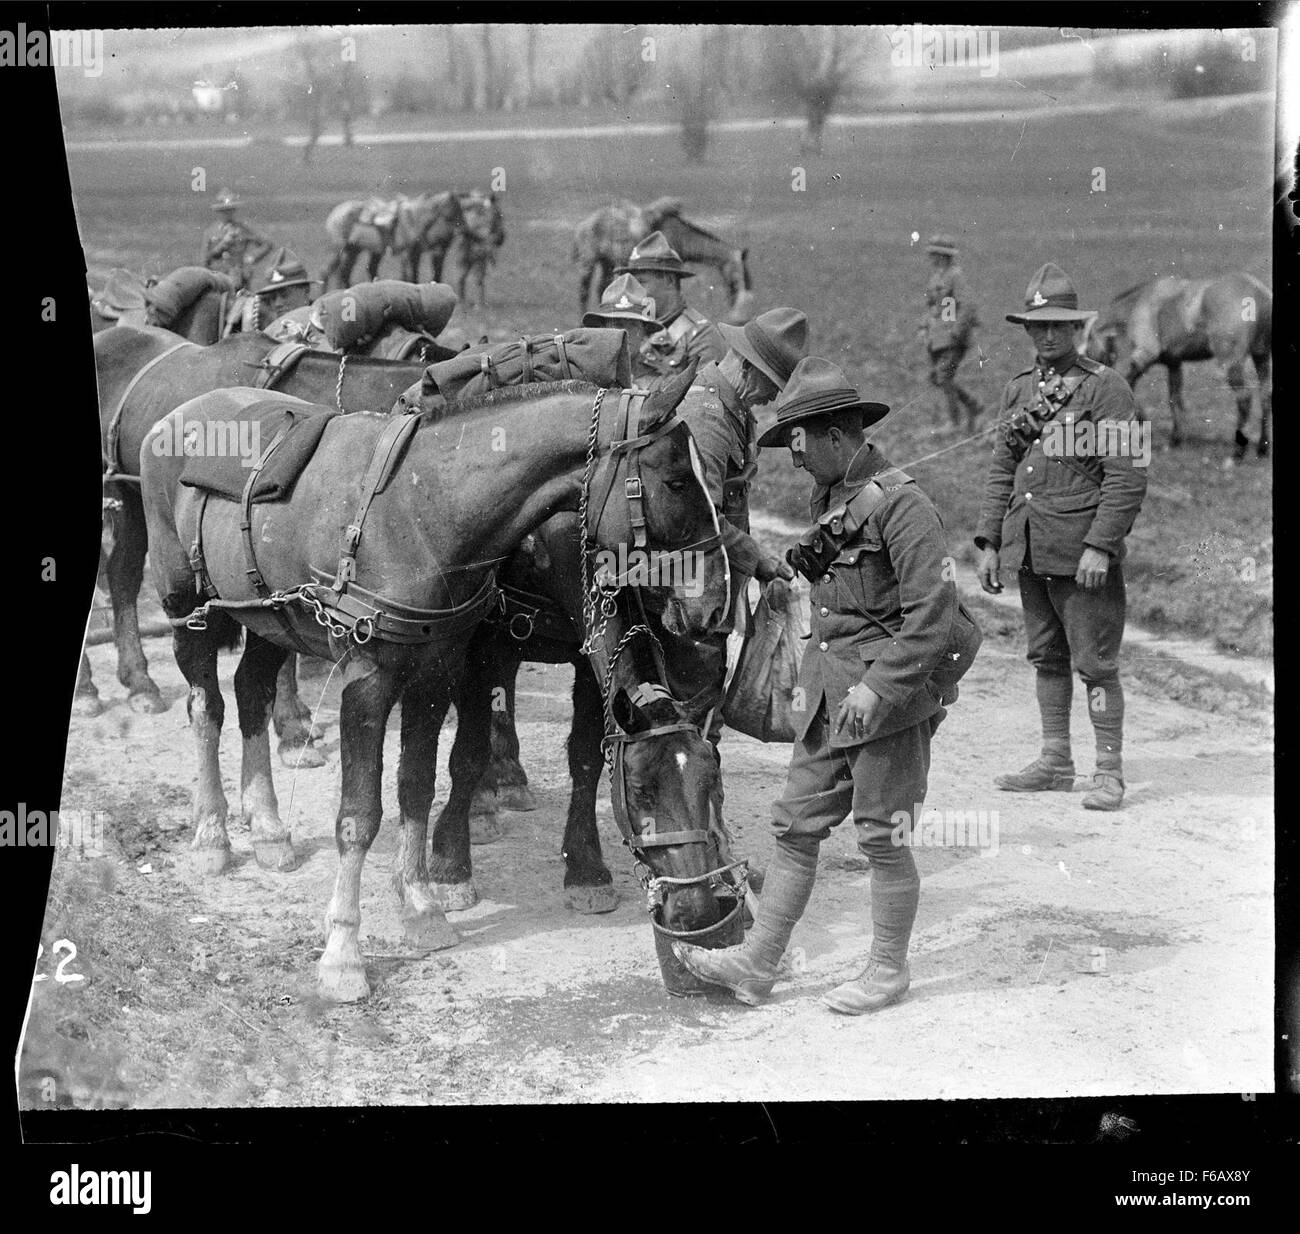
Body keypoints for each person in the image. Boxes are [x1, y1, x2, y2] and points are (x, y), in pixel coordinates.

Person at [675, 356, 960, 1012]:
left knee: (883, 838)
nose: (793, 457)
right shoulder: (830, 500)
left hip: (885, 705)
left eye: (799, 444)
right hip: (829, 698)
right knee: (795, 825)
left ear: (837, 434)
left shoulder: (904, 505)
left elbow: (933, 615)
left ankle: (888, 970)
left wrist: (878, 688)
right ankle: (759, 964)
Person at [975, 263, 1148, 811]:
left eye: (1059, 326)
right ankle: (1055, 761)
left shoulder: (1108, 388)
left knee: (1094, 663)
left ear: (1078, 330)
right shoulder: (1019, 390)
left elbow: (1128, 474)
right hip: (1030, 546)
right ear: (1027, 330)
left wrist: (1101, 543)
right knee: (1046, 657)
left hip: (1082, 553)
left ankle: (1109, 770)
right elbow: (1002, 469)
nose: (1048, 336)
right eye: (1038, 326)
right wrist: (989, 542)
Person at [662, 308, 809, 748]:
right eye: (771, 385)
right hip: (691, 581)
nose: (772, 398)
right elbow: (697, 516)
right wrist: (757, 557)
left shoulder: (731, 406)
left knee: (704, 689)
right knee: (695, 688)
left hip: (711, 575)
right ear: (746, 366)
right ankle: (693, 793)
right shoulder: (707, 416)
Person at [615, 231, 726, 376]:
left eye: (641, 282)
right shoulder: (634, 328)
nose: (633, 292)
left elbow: (705, 395)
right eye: (631, 284)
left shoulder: (701, 336)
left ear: (669, 280)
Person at [919, 234, 983, 432]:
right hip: (937, 338)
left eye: (935, 254)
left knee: (943, 376)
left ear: (944, 256)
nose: (932, 258)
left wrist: (957, 331)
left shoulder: (955, 276)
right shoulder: (936, 277)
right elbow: (932, 307)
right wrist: (923, 327)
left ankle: (954, 422)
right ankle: (973, 406)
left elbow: (968, 306)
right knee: (937, 378)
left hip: (952, 338)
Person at [226, 247, 320, 339]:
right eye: (273, 297)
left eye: (284, 295)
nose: (277, 303)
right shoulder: (268, 334)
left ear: (306, 290)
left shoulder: (325, 324)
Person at [581, 273, 661, 378]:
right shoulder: (586, 375)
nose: (624, 332)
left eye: (632, 325)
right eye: (617, 324)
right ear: (603, 329)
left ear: (644, 333)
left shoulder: (660, 381)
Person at [200, 189, 273, 290]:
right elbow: (205, 259)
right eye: (223, 211)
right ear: (218, 212)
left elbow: (267, 243)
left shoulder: (243, 229)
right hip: (217, 279)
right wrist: (222, 244)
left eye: (230, 210)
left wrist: (252, 258)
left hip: (238, 279)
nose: (227, 214)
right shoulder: (211, 231)